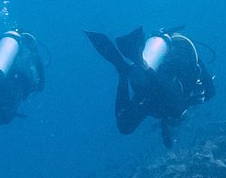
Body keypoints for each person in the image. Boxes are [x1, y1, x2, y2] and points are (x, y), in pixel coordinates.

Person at [86, 29, 214, 144]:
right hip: (156, 87)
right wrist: (190, 101)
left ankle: (125, 70)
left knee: (125, 126)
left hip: (148, 91)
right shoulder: (186, 53)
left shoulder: (170, 55)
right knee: (176, 109)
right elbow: (210, 91)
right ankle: (138, 65)